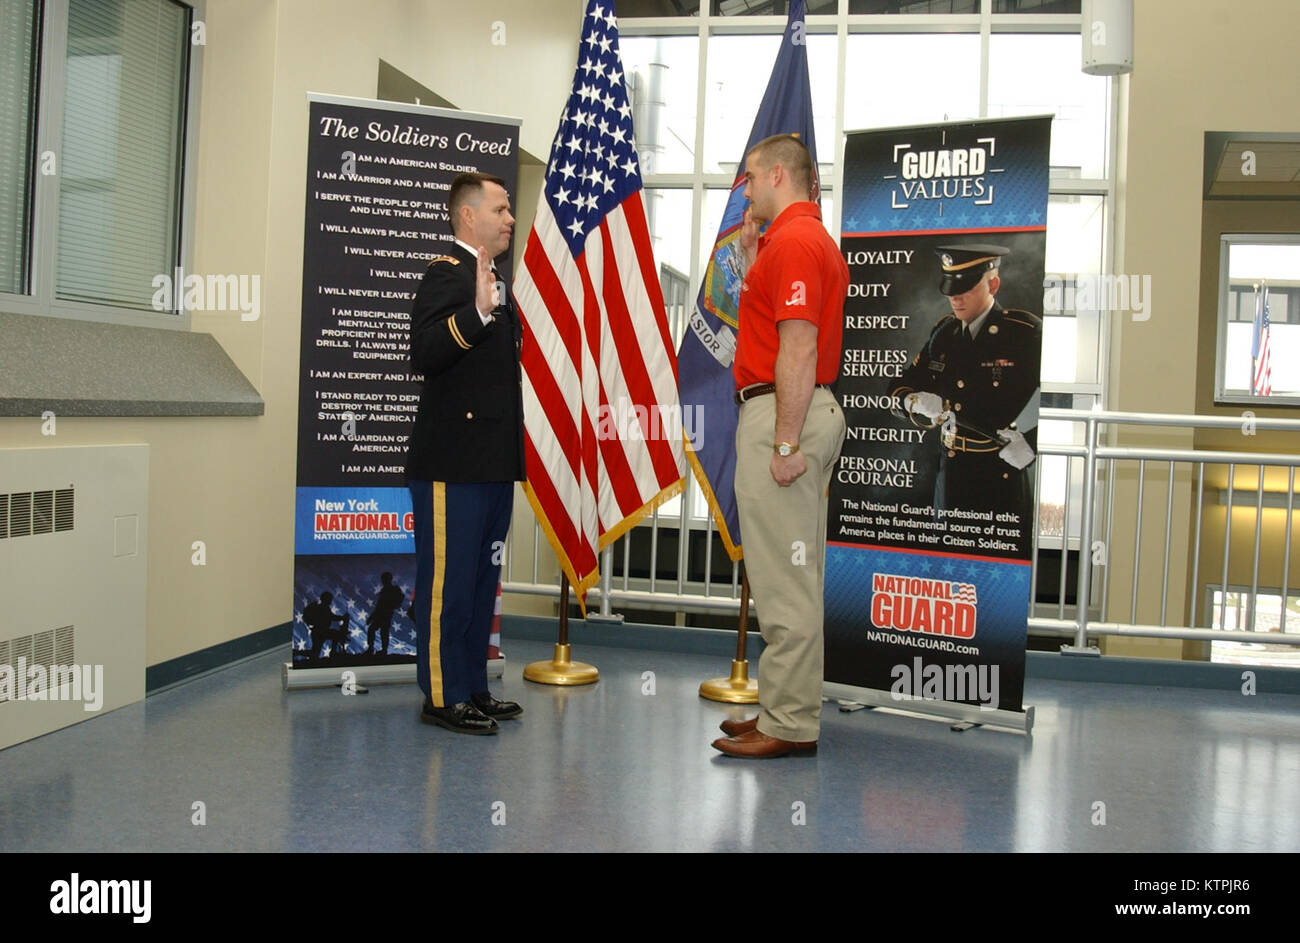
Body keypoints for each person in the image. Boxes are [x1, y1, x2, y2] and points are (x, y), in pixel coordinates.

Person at [712, 134, 849, 760]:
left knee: (784, 582)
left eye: (748, 179)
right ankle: (783, 708)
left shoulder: (794, 241)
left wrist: (786, 440)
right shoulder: (794, 241)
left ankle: (789, 724)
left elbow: (797, 346)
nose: (745, 189)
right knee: (788, 575)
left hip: (782, 412)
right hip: (785, 407)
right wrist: (748, 256)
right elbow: (778, 329)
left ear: (775, 176)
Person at [405, 172, 524, 735]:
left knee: (480, 583)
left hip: (492, 464)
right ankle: (440, 695)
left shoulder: (494, 279)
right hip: (453, 464)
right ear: (469, 217)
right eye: (500, 209)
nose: (510, 218)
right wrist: (475, 317)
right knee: (447, 586)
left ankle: (472, 685)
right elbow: (424, 353)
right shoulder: (447, 275)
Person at [890, 245, 1042, 542]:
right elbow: (900, 387)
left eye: (966, 288)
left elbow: (1057, 402)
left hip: (1000, 474)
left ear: (993, 284)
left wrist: (1032, 443)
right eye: (950, 289)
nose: (955, 297)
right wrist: (914, 401)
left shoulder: (1024, 333)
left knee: (998, 569)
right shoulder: (944, 333)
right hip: (950, 473)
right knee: (946, 561)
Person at [365, 571, 405, 656]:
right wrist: (372, 617)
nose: (383, 581)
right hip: (381, 613)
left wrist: (392, 606)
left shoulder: (393, 589)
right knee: (375, 630)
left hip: (386, 614)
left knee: (383, 632)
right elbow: (379, 605)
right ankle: (372, 648)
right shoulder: (385, 590)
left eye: (385, 579)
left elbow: (400, 598)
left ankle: (382, 650)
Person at [303, 592, 349, 661]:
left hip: (319, 632)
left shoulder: (324, 607)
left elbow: (331, 617)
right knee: (315, 653)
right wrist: (342, 617)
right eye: (329, 599)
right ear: (326, 599)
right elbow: (331, 617)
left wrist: (342, 618)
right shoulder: (323, 608)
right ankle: (333, 652)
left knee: (315, 652)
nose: (330, 601)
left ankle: (333, 652)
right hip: (320, 632)